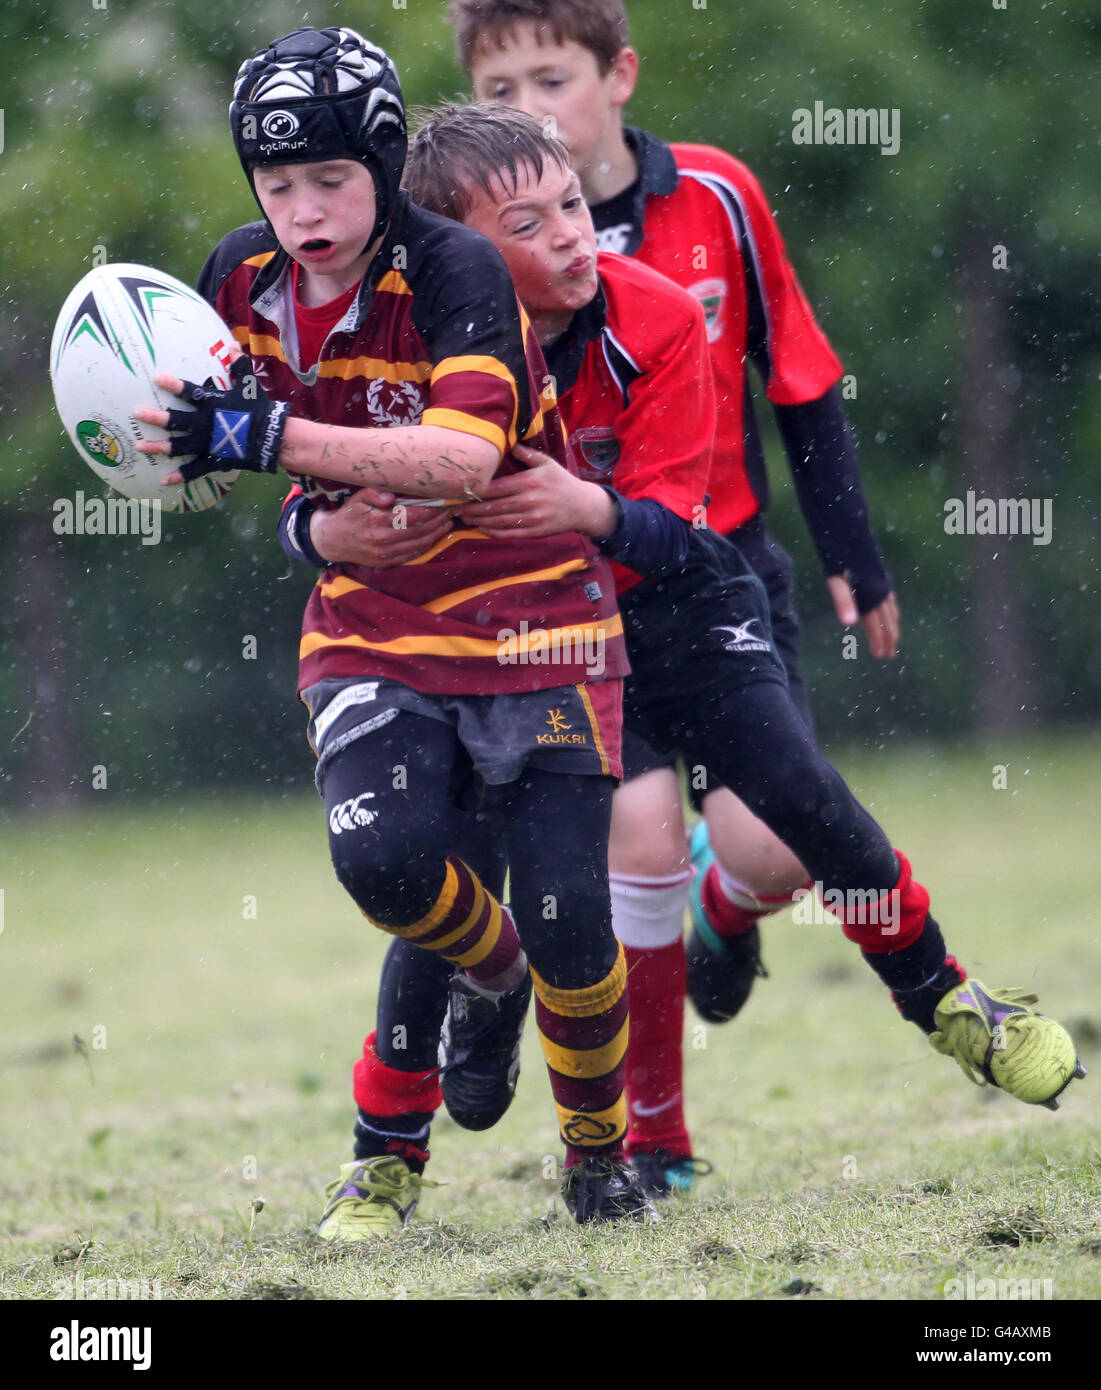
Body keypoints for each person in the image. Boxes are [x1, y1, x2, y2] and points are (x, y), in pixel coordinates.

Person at [280, 104, 1084, 1232]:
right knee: (450, 870)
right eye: (532, 221)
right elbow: (310, 486)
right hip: (524, 640)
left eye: (572, 204)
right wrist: (319, 531)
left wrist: (587, 507)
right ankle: (392, 1152)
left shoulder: (652, 314)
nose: (573, 235)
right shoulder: (411, 337)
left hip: (677, 607)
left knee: (801, 795)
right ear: (456, 250)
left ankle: (951, 1000)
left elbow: (679, 523)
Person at [133, 25, 660, 1229]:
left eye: (329, 180)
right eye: (277, 186)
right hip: (374, 627)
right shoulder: (237, 280)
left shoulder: (458, 270)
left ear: (379, 162)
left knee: (574, 912)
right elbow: (213, 479)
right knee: (387, 864)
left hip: (540, 623)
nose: (303, 211)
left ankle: (596, 1158)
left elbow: (459, 462)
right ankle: (477, 1004)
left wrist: (273, 442)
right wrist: (310, 534)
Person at [442, 0, 905, 1187]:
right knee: (634, 840)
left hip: (719, 573)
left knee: (775, 854)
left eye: (552, 79)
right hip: (573, 596)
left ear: (620, 75)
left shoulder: (718, 200)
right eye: (498, 93)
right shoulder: (471, 247)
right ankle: (656, 1142)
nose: (529, 111)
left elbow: (798, 376)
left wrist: (856, 550)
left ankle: (724, 902)